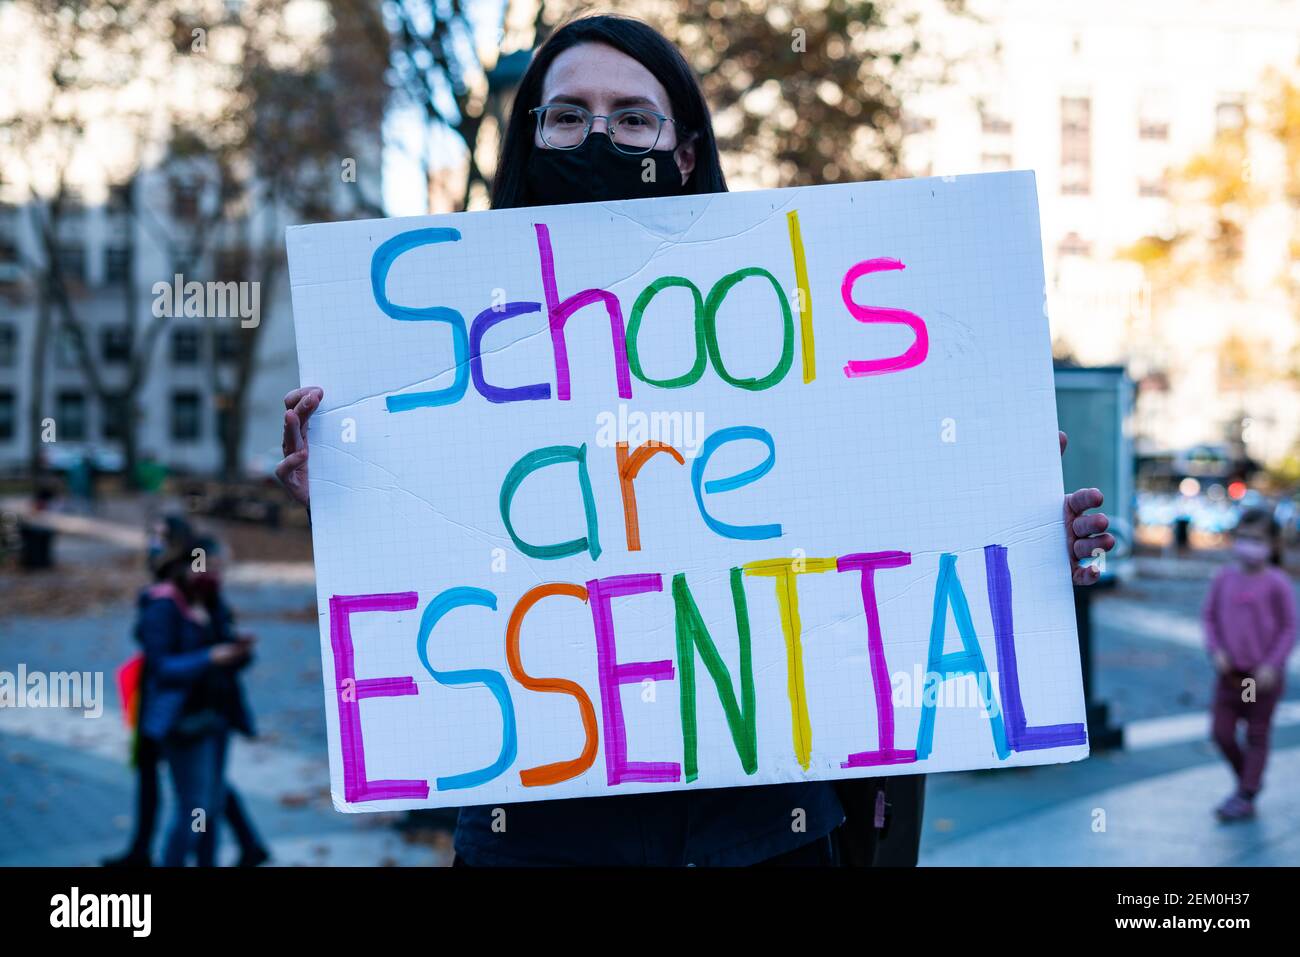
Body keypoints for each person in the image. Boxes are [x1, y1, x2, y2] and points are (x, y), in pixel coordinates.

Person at [275, 14, 1115, 866]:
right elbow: (449, 570)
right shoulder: (445, 351)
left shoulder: (790, 323)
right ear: (530, 141)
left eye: (632, 117)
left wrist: (1010, 514)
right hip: (538, 837)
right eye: (567, 116)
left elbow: (871, 513)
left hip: (760, 836)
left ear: (683, 151)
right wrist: (352, 496)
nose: (598, 138)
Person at [135, 530, 256, 866]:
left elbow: (224, 648)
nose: (216, 574)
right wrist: (209, 657)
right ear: (192, 563)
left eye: (221, 568)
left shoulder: (213, 601)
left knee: (212, 807)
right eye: (210, 566)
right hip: (185, 720)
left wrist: (238, 653)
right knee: (196, 808)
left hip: (218, 715)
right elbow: (159, 666)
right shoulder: (163, 604)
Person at [1203, 506, 1296, 821]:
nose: (1248, 545)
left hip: (1258, 679)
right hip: (1231, 676)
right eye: (1242, 537)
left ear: (1271, 545)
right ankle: (1249, 785)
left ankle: (1245, 793)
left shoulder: (1277, 583)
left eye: (1256, 539)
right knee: (1222, 733)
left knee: (1256, 733)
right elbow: (1209, 617)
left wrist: (1272, 664)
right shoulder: (1223, 578)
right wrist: (1215, 650)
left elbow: (1289, 627)